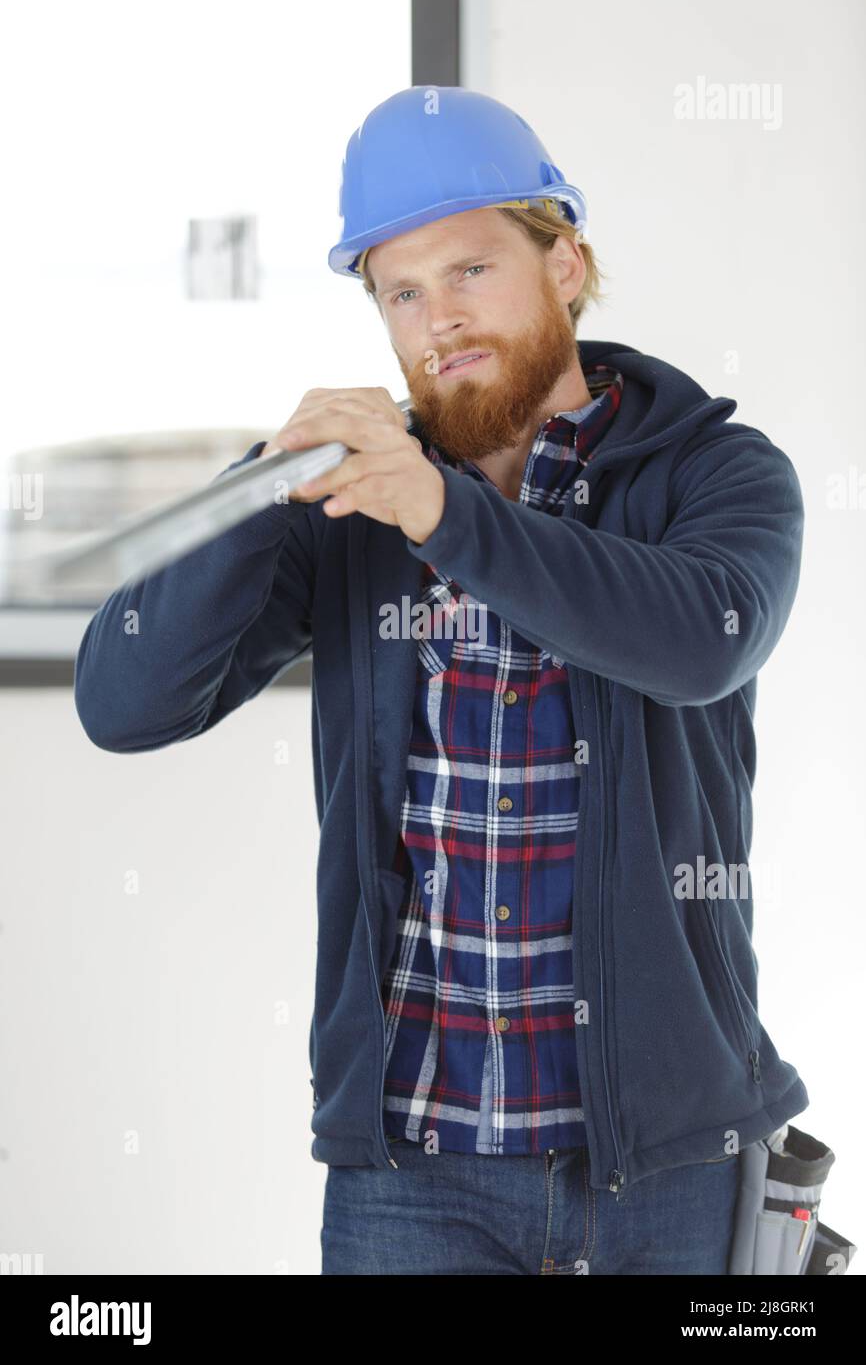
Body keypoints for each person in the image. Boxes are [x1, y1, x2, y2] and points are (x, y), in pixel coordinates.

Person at [74, 85, 809, 1275]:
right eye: (400, 292)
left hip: (667, 1167)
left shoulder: (716, 473)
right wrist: (258, 487)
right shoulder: (351, 501)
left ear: (564, 263)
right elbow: (124, 699)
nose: (435, 321)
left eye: (469, 270)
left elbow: (698, 640)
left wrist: (446, 513)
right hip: (409, 1178)